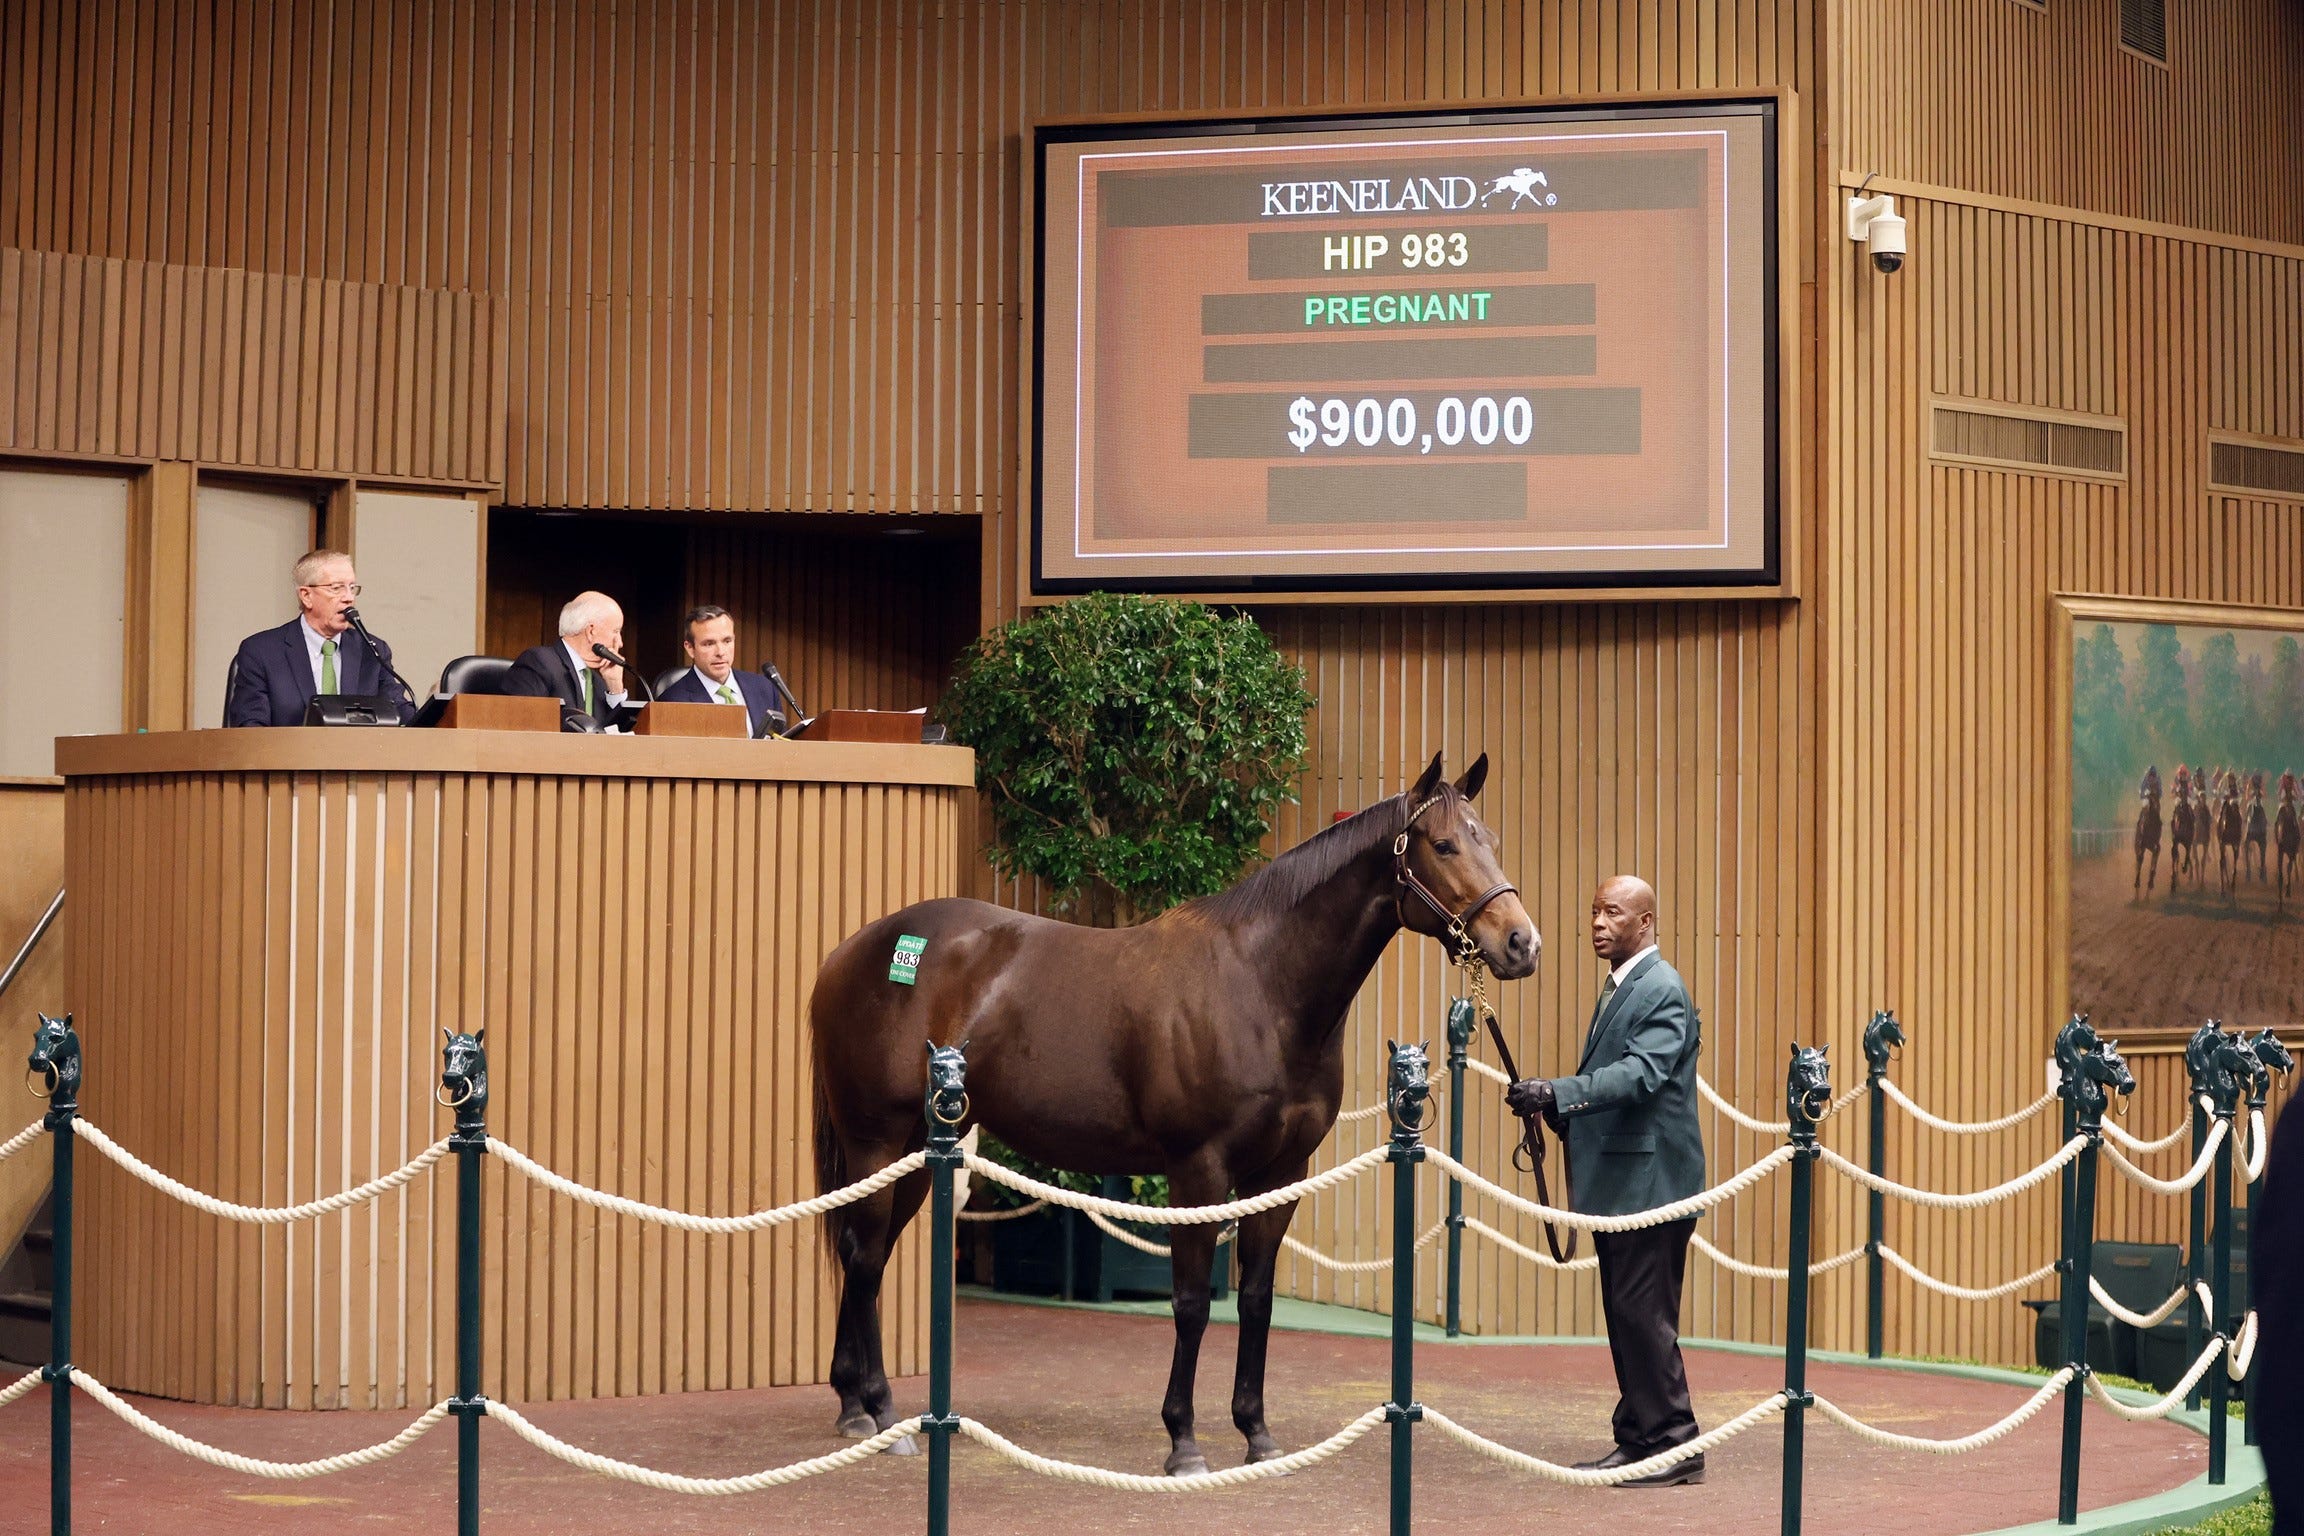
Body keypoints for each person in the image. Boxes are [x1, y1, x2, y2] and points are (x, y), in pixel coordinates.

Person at [1505, 875, 1707, 1486]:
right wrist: (1556, 1108)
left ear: (1644, 923)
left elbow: (1641, 1076)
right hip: (1627, 1183)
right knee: (1628, 1316)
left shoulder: (1661, 988)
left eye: (1612, 913)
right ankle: (1641, 1437)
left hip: (1653, 1185)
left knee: (1643, 1317)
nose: (1597, 922)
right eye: (1594, 911)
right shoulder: (1627, 985)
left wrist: (1557, 1092)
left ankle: (1675, 1445)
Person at [224, 549, 415, 727]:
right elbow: (251, 727)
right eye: (336, 588)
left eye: (352, 588)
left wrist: (440, 713)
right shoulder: (262, 652)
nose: (349, 598)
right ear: (306, 596)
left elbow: (401, 711)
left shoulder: (372, 651)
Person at [502, 591, 630, 730]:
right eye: (616, 631)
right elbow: (522, 727)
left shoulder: (599, 682)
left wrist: (615, 687)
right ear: (591, 631)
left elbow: (621, 736)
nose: (620, 642)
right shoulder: (538, 662)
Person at [656, 605, 786, 738]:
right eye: (709, 644)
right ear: (690, 648)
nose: (720, 652)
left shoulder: (765, 688)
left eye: (727, 641)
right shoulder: (673, 702)